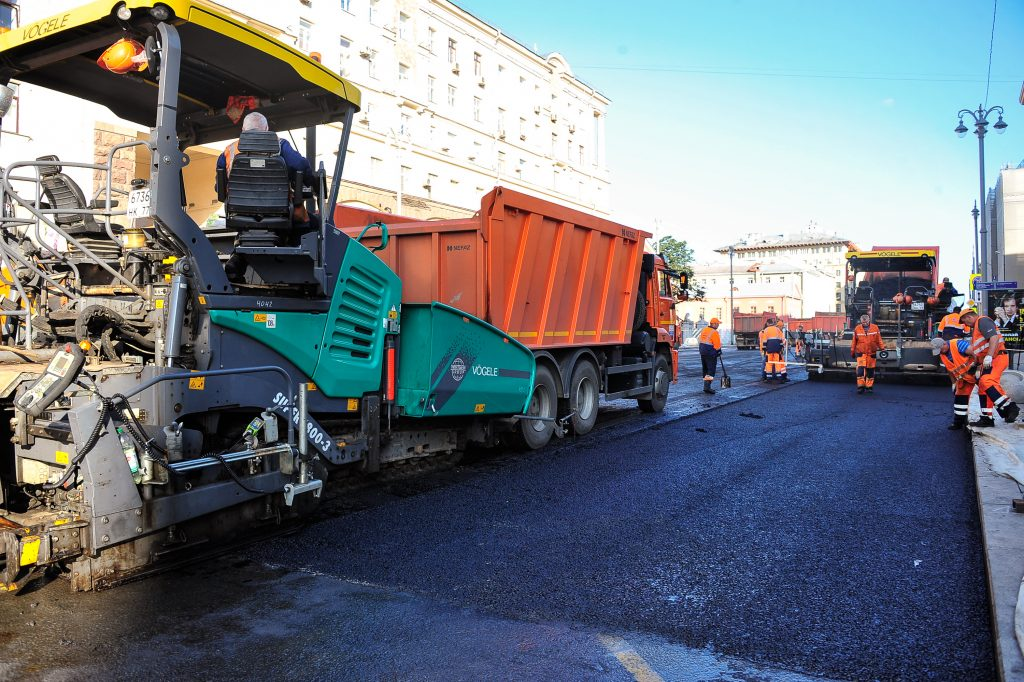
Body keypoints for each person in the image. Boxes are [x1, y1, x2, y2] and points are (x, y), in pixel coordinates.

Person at [218, 111, 316, 280]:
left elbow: (219, 184)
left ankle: (237, 260)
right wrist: (309, 182)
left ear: (243, 129)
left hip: (240, 215)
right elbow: (300, 165)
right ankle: (302, 261)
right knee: (312, 222)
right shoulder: (281, 145)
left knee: (246, 232)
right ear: (267, 128)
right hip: (279, 213)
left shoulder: (229, 151)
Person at [959, 308, 1020, 426]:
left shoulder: (982, 321)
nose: (966, 325)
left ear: (969, 317)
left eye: (965, 322)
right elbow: (981, 349)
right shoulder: (977, 328)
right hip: (989, 360)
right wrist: (975, 364)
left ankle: (1010, 407)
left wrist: (989, 357)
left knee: (987, 381)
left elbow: (994, 338)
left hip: (997, 357)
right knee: (983, 386)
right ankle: (987, 418)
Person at [931, 336, 979, 430]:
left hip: (975, 375)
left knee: (985, 394)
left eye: (940, 349)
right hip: (963, 379)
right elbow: (950, 370)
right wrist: (953, 383)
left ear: (944, 344)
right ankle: (958, 423)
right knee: (959, 400)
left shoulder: (958, 344)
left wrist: (976, 367)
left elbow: (976, 354)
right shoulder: (943, 354)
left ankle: (999, 413)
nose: (940, 352)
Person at [851, 313, 884, 394]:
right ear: (861, 321)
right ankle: (861, 387)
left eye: (865, 322)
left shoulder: (875, 328)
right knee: (860, 371)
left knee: (870, 371)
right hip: (861, 354)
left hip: (871, 354)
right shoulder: (857, 329)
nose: (864, 323)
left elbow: (879, 339)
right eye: (863, 322)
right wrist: (852, 351)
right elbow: (854, 341)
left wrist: (882, 348)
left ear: (869, 320)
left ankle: (869, 387)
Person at [698, 318, 722, 394]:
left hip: (703, 352)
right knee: (711, 370)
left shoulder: (704, 330)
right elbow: (717, 345)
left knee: (705, 369)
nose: (718, 325)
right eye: (717, 324)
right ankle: (707, 387)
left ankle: (706, 386)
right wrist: (718, 351)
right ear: (714, 324)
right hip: (710, 352)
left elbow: (701, 340)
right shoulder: (714, 332)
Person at [761, 318, 788, 383]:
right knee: (778, 363)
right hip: (777, 350)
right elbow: (781, 341)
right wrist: (780, 348)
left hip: (769, 350)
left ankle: (769, 378)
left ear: (767, 323)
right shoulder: (777, 329)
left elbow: (764, 341)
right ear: (773, 323)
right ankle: (779, 377)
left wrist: (764, 350)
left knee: (769, 363)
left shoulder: (766, 330)